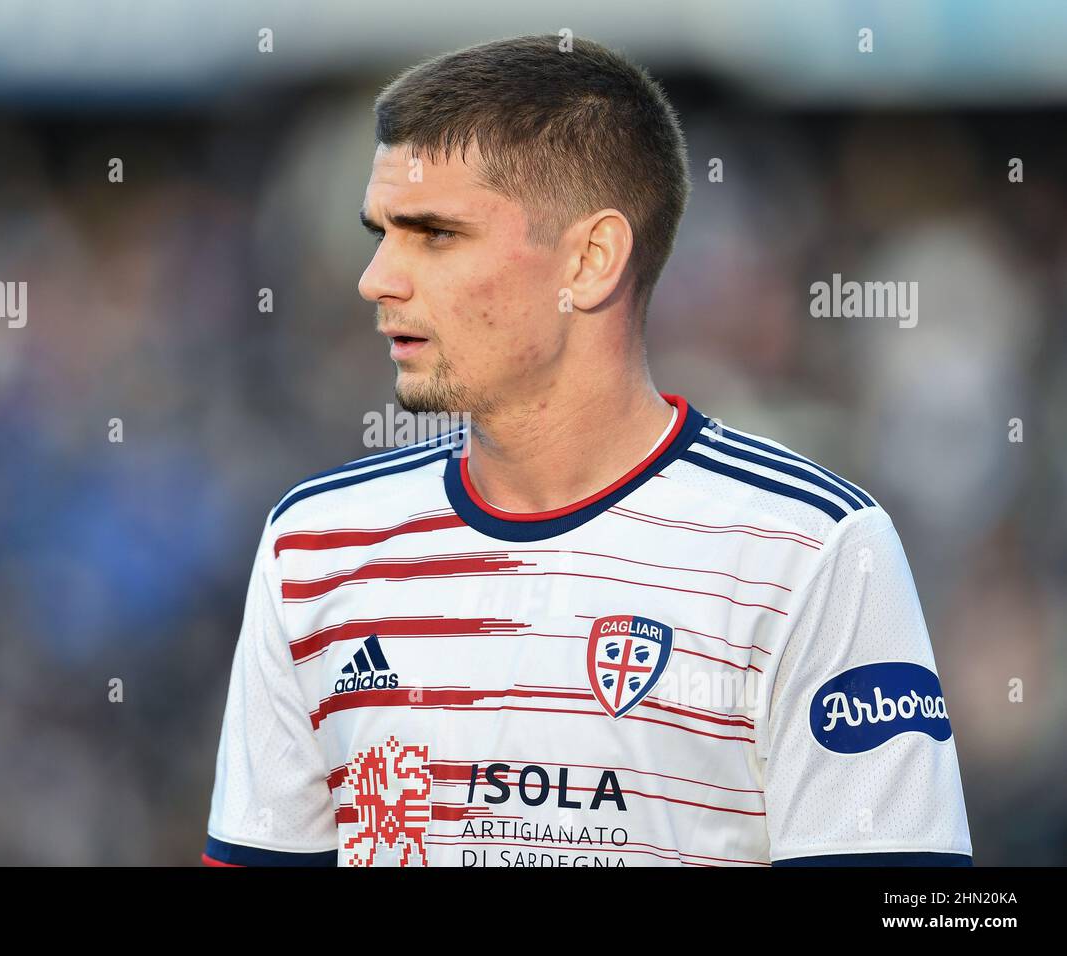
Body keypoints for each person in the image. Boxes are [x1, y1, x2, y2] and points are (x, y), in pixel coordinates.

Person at [204, 34, 972, 867]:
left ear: (590, 258)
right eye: (380, 232)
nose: (377, 277)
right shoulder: (313, 543)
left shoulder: (813, 550)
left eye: (434, 235)